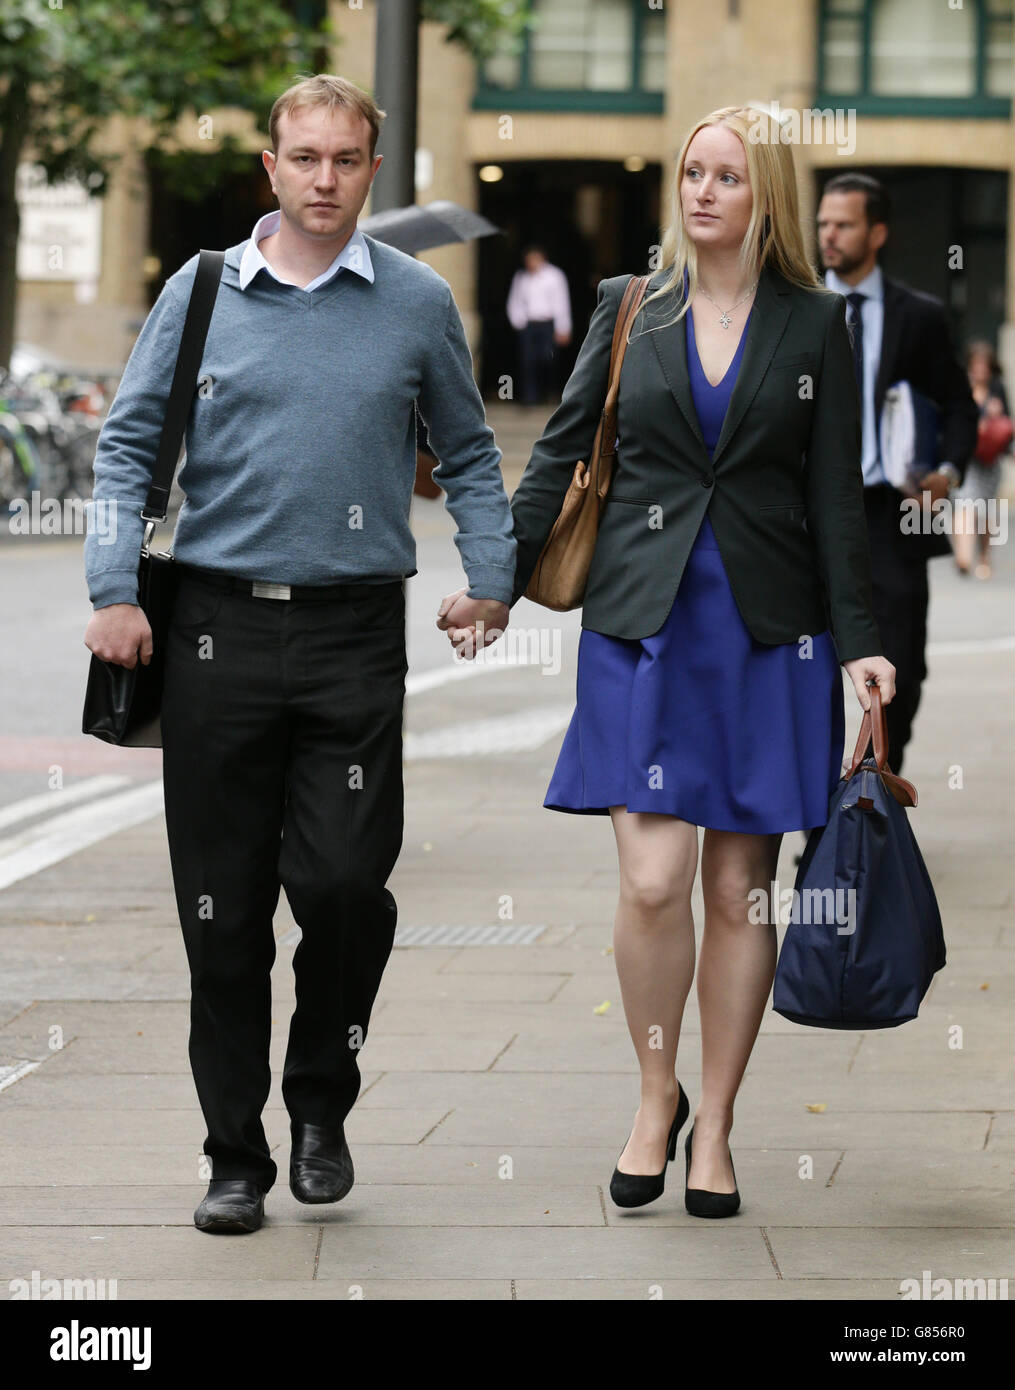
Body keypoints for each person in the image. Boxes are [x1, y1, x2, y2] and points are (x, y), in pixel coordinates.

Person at [444, 105, 895, 1217]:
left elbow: (833, 496)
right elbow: (557, 453)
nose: (700, 192)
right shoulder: (629, 305)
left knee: (738, 892)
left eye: (726, 176)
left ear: (765, 196)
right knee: (652, 882)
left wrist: (864, 640)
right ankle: (657, 1094)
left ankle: (720, 1126)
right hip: (640, 626)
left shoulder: (811, 325)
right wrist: (497, 580)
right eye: (691, 172)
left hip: (766, 635)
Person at [83, 73, 515, 1234]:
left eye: (347, 159)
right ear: (271, 168)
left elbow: (469, 456)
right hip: (214, 631)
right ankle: (235, 1154)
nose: (325, 179)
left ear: (374, 170)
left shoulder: (418, 301)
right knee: (222, 917)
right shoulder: (204, 288)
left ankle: (321, 1097)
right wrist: (114, 589)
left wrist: (491, 574)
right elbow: (127, 450)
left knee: (340, 887)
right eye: (305, 158)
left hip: (355, 635)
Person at [817, 173, 978, 774]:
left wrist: (948, 471)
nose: (828, 235)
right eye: (824, 223)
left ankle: (878, 795)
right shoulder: (799, 307)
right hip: (811, 513)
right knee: (812, 668)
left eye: (844, 224)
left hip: (893, 513)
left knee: (903, 665)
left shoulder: (921, 317)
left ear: (877, 232)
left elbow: (960, 405)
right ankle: (822, 826)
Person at [952, 341, 1012, 580]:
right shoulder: (961, 388)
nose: (979, 370)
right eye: (975, 365)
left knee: (985, 511)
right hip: (967, 457)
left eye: (984, 365)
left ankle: (984, 557)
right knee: (964, 503)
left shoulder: (997, 389)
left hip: (989, 459)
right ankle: (964, 557)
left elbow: (1008, 424)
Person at [506, 245, 573, 405]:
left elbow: (561, 302)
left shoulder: (554, 276)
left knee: (547, 358)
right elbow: (514, 301)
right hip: (528, 324)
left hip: (547, 324)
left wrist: (563, 328)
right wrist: (518, 321)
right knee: (527, 360)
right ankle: (530, 397)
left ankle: (548, 392)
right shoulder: (521, 277)